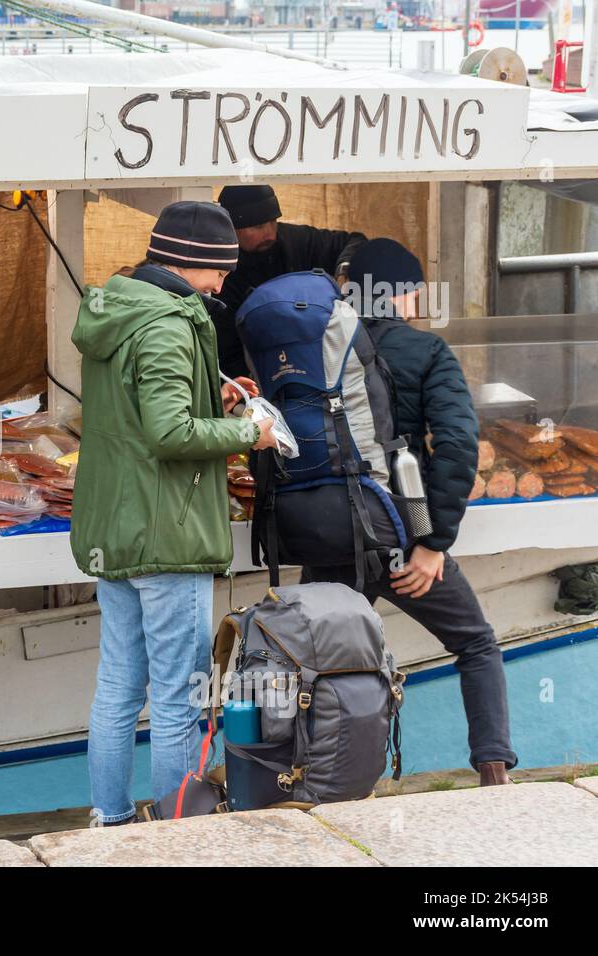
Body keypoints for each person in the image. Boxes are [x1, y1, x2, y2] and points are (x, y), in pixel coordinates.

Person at [70, 201, 278, 825]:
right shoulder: (166, 323)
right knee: (179, 696)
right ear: (193, 264)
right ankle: (174, 833)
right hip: (167, 532)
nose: (222, 285)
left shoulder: (121, 308)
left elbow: (144, 410)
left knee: (116, 688)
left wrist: (207, 393)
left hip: (116, 527)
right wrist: (248, 434)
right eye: (220, 272)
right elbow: (169, 434)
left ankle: (110, 821)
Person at [301, 238, 517, 787]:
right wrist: (432, 542)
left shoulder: (315, 347)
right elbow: (458, 444)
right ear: (407, 292)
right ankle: (495, 779)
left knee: (310, 663)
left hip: (329, 531)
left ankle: (303, 781)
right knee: (475, 643)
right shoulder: (426, 352)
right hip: (401, 529)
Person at [212, 184, 368, 379]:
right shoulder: (218, 266)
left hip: (317, 360)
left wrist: (344, 269)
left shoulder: (297, 240)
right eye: (258, 226)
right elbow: (225, 351)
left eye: (272, 221)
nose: (270, 233)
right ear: (232, 229)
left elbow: (355, 241)